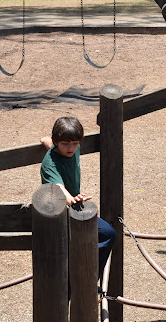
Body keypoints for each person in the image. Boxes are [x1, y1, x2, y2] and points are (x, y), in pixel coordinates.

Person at [40, 116, 116, 283]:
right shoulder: (49, 165)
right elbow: (59, 188)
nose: (71, 148)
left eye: (75, 143)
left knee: (107, 234)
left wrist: (44, 141)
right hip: (60, 214)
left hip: (72, 208)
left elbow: (48, 142)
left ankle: (90, 278)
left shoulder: (69, 147)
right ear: (57, 141)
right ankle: (85, 280)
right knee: (104, 235)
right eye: (66, 143)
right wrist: (72, 199)